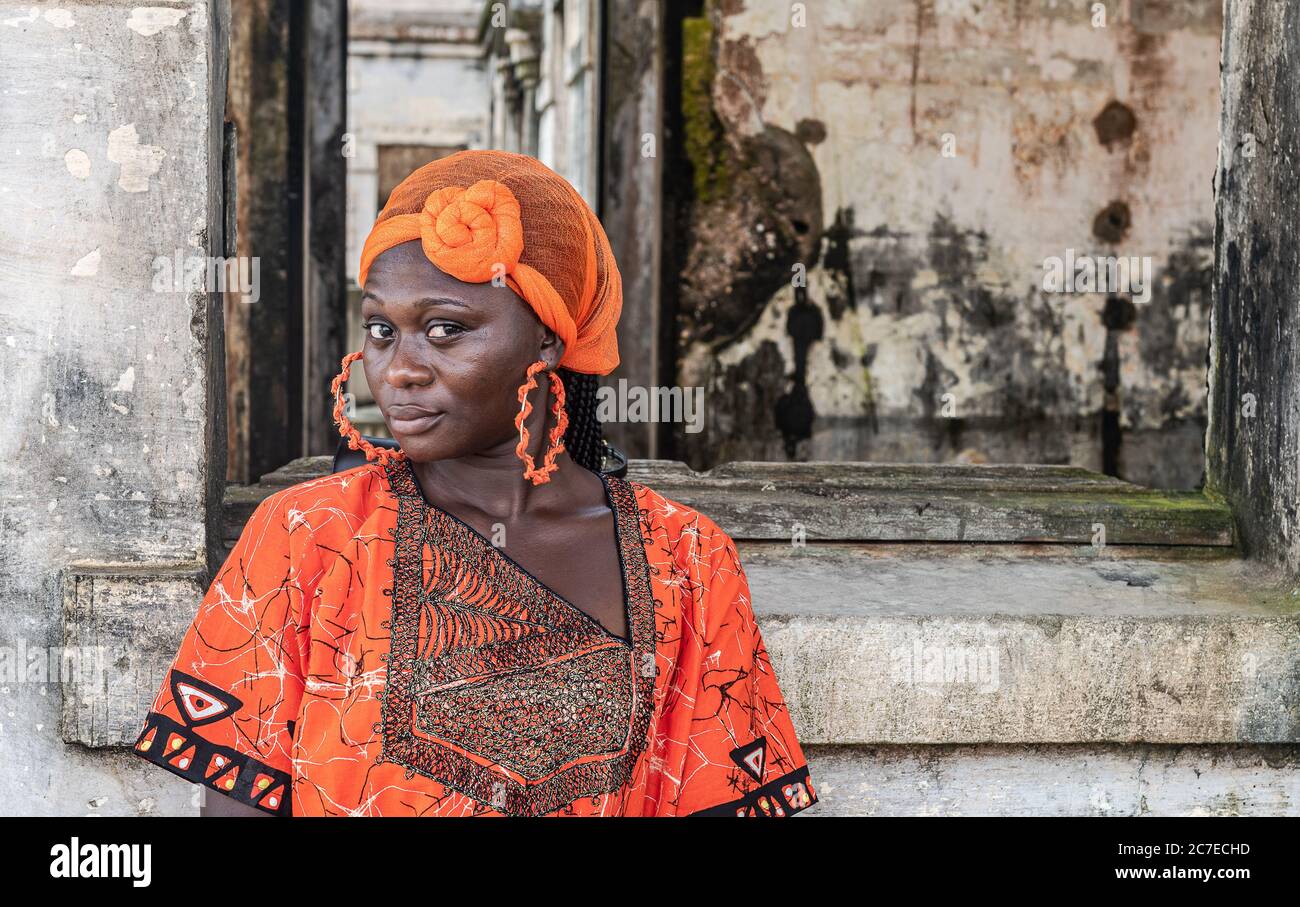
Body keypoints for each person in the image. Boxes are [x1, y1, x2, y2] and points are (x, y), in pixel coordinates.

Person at [131, 149, 819, 817]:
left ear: (549, 338)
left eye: (444, 328)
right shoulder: (309, 539)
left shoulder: (688, 560)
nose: (399, 369)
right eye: (381, 329)